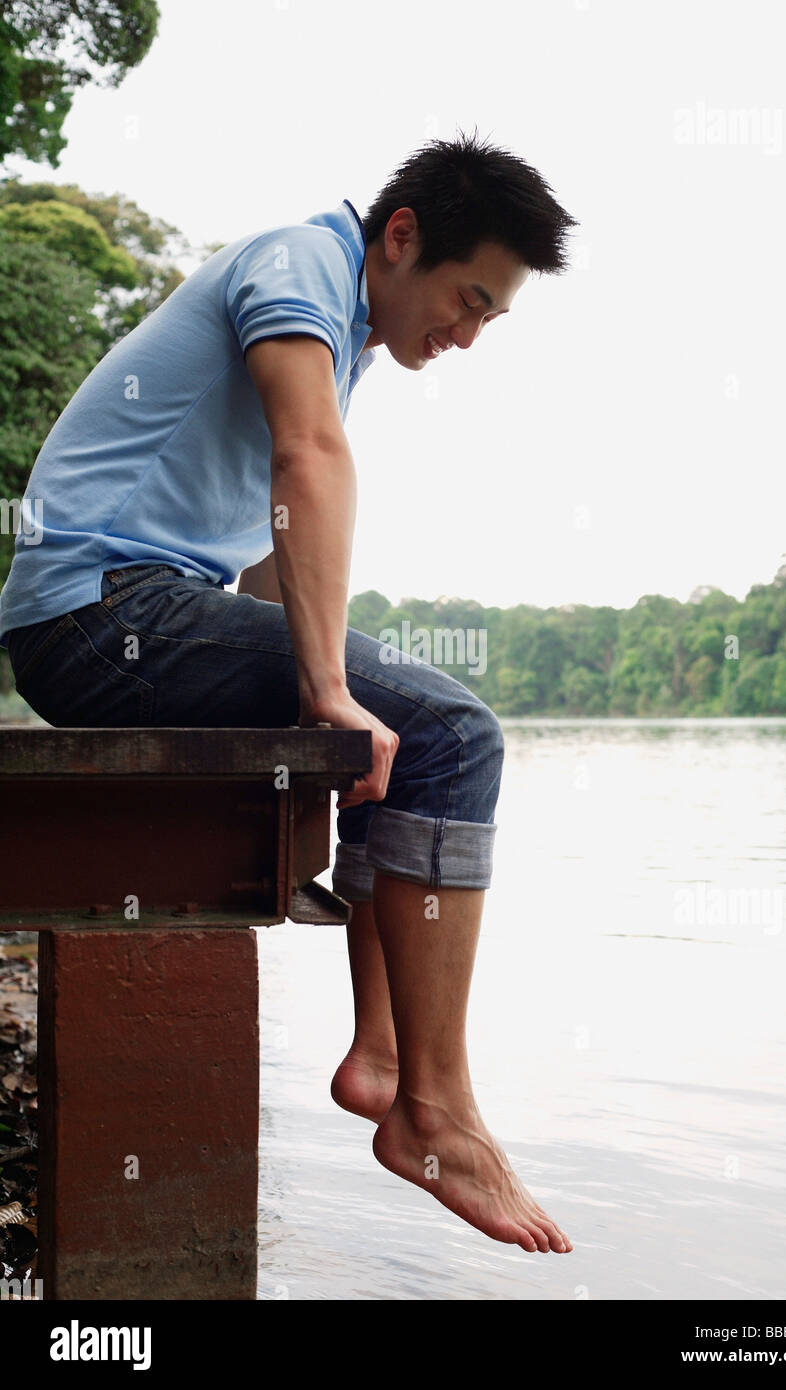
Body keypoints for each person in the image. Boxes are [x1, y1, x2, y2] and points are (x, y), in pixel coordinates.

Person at [0, 129, 577, 1255]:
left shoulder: (340, 322)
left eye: (486, 321)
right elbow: (304, 463)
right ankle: (436, 1109)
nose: (463, 335)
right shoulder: (297, 266)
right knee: (453, 727)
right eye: (465, 301)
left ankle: (381, 1059)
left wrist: (329, 691)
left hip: (128, 611)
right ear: (399, 236)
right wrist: (324, 683)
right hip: (97, 614)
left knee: (405, 728)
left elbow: (271, 552)